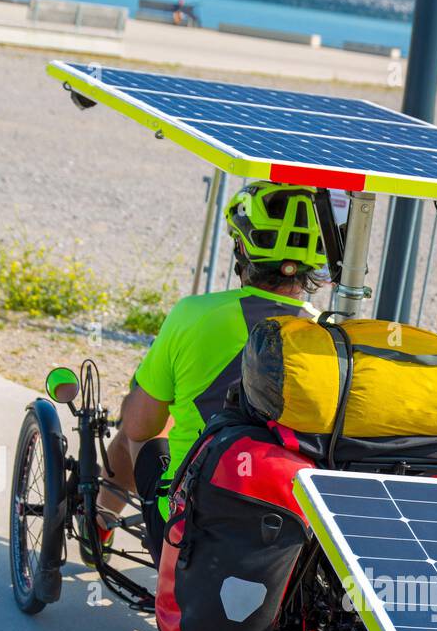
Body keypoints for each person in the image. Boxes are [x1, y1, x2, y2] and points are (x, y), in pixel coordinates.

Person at [88, 182, 325, 565]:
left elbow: (139, 427)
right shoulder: (323, 334)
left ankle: (100, 522)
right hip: (284, 525)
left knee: (137, 427)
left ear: (241, 250)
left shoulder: (194, 314)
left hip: (189, 518)